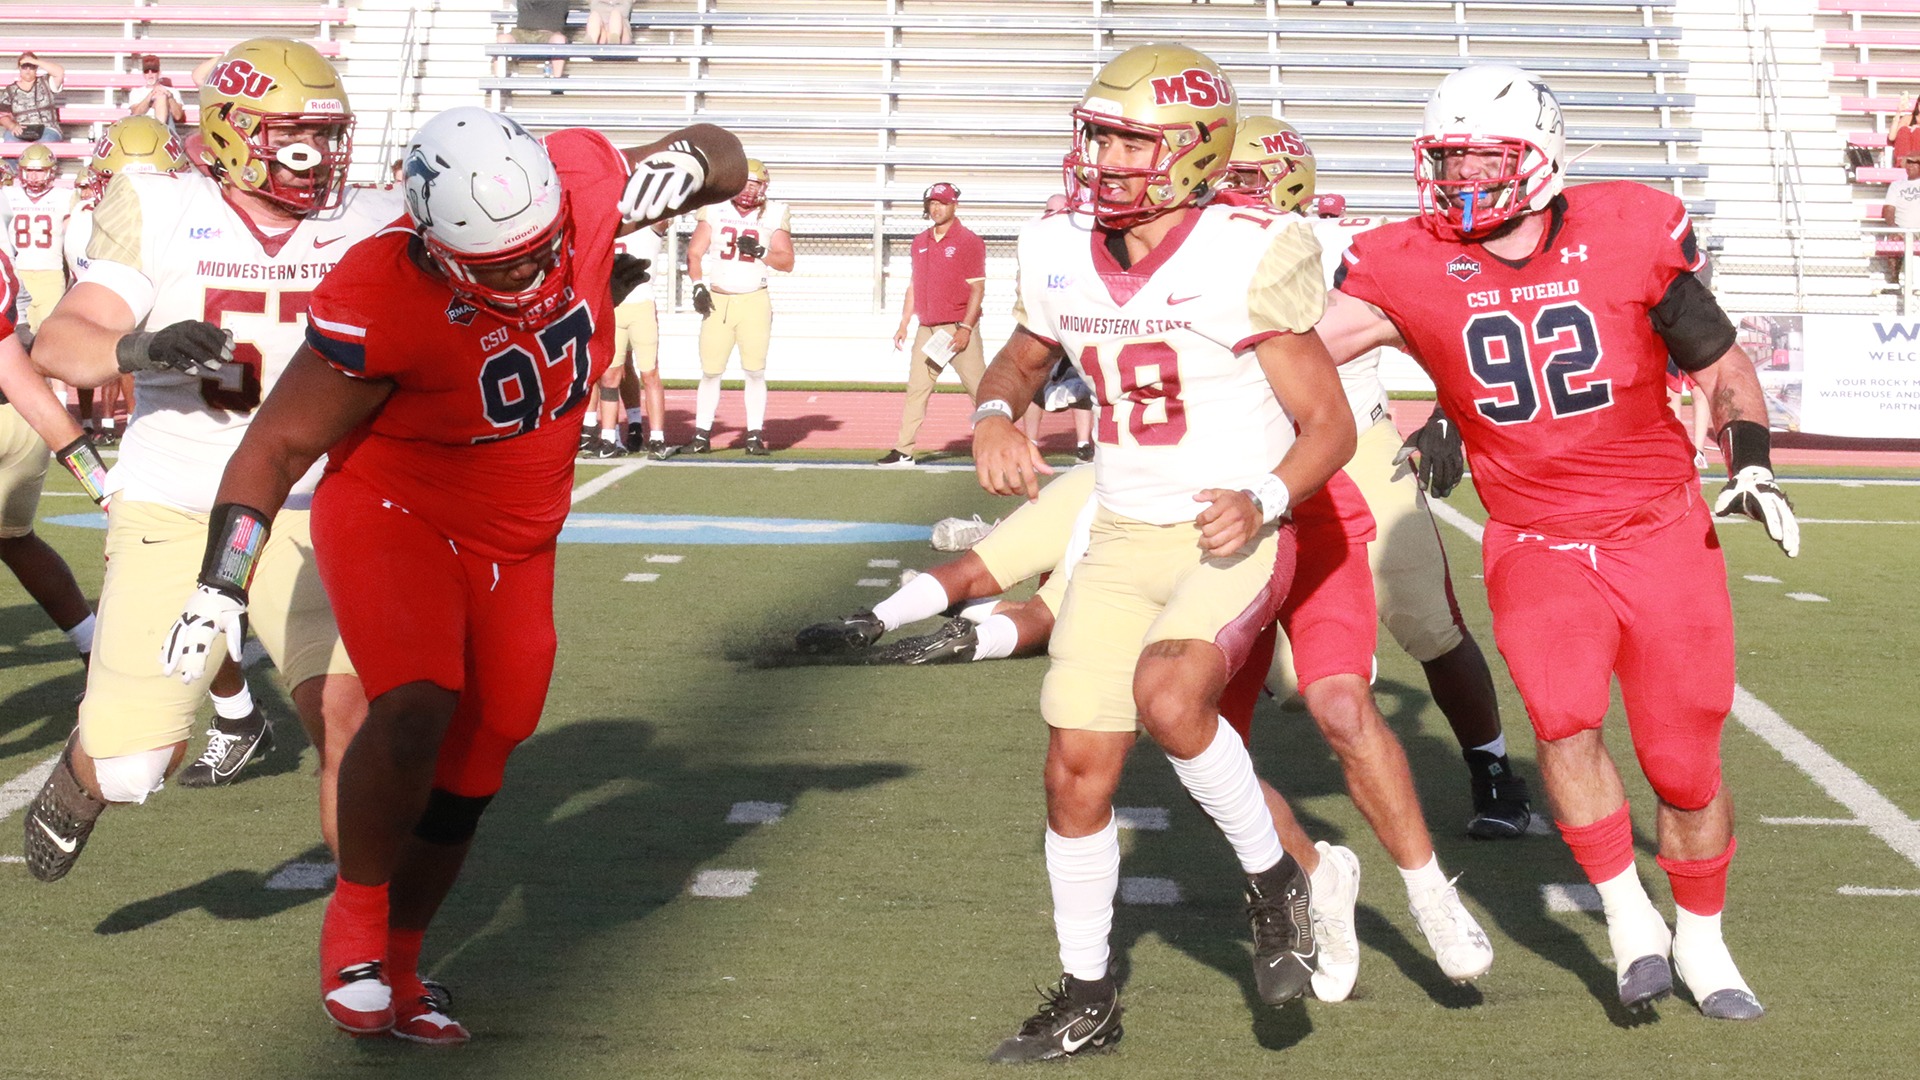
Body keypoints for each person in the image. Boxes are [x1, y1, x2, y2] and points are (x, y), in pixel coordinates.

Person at [157, 105, 743, 1043]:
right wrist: (221, 583)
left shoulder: (582, 187)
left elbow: (718, 147)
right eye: (496, 260)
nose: (522, 268)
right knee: (417, 704)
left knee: (483, 755)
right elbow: (272, 448)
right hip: (399, 512)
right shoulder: (384, 288)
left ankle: (401, 958)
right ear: (433, 243)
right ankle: (352, 928)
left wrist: (675, 180)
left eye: (538, 247)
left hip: (519, 538)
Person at [1316, 63, 1799, 1021]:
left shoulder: (1629, 230)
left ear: (1540, 158)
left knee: (1685, 763)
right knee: (1565, 727)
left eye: (1482, 158)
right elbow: (1297, 347)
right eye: (1446, 158)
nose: (1459, 179)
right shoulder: (1401, 259)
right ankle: (1627, 920)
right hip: (1533, 538)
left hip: (1657, 529)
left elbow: (1718, 358)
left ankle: (1701, 938)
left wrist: (1751, 456)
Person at [970, 44, 1358, 1061]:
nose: (1100, 157)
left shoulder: (1246, 250)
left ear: (1190, 152)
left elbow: (1328, 425)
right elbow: (1023, 351)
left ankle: (1276, 879)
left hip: (1226, 531)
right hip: (1123, 532)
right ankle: (1090, 998)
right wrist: (994, 411)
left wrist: (1265, 495)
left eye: (1126, 139)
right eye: (1096, 134)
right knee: (1075, 773)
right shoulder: (1057, 245)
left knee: (1172, 694)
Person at [21, 38, 397, 885]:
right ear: (233, 135)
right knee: (132, 768)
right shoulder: (161, 206)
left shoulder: (374, 218)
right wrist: (143, 344)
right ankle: (87, 769)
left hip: (308, 505)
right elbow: (61, 342)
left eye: (329, 135)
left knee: (353, 720)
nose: (319, 157)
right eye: (297, 136)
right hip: (178, 501)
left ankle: (374, 949)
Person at [1224, 115, 1536, 841]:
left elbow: (1449, 320)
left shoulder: (1349, 247)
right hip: (1253, 453)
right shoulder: (1197, 251)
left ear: (1287, 180)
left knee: (1427, 618)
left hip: (1355, 441)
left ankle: (1493, 770)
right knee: (1291, 671)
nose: (1226, 192)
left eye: (1244, 178)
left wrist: (1450, 415)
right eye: (1223, 177)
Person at [681, 158, 792, 455]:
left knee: (755, 371)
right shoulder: (715, 209)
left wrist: (761, 252)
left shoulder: (774, 214)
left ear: (763, 187)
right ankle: (702, 434)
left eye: (754, 184)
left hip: (754, 298)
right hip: (719, 299)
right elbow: (694, 252)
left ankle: (755, 434)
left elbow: (787, 261)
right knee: (710, 371)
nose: (747, 190)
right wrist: (698, 286)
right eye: (744, 183)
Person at [878, 181, 987, 467]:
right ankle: (904, 449)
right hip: (926, 328)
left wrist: (965, 328)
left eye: (942, 202)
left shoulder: (969, 241)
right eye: (933, 203)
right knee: (917, 388)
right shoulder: (920, 241)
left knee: (981, 391)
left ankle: (1003, 444)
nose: (937, 208)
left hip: (957, 327)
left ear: (954, 205)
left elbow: (977, 289)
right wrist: (903, 323)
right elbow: (915, 285)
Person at [5, 144, 69, 335]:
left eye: (39, 171)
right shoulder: (8, 195)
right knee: (19, 333)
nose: (33, 176)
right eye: (29, 171)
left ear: (50, 171)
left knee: (48, 334)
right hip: (18, 272)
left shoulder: (64, 197)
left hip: (50, 273)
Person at [1, 53, 65, 143]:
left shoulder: (46, 82)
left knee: (45, 141)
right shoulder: (10, 90)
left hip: (47, 128)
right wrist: (12, 126)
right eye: (24, 66)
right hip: (22, 129)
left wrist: (34, 61)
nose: (28, 70)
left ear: (36, 68)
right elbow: (2, 116)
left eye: (32, 66)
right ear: (19, 68)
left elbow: (59, 72)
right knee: (10, 139)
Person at [504, 0, 572, 81]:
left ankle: (557, 81)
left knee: (559, 40)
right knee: (503, 39)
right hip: (522, 32)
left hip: (549, 33)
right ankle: (500, 81)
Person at [127, 55, 187, 134]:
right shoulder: (136, 92)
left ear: (159, 72)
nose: (150, 74)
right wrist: (151, 96)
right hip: (142, 131)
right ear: (143, 74)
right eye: (146, 71)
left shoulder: (172, 91)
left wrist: (170, 98)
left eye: (153, 71)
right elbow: (136, 114)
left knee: (161, 97)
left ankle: (159, 132)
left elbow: (178, 116)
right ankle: (158, 132)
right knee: (160, 97)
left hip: (166, 131)